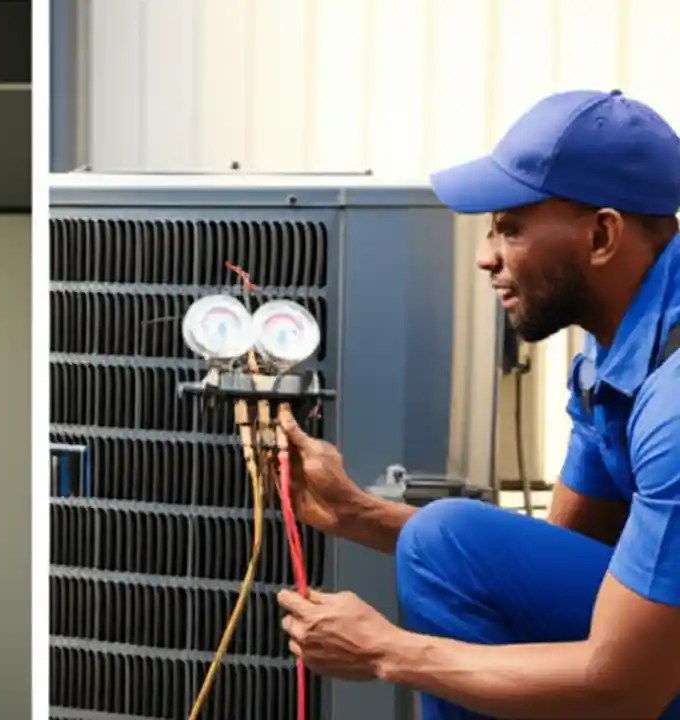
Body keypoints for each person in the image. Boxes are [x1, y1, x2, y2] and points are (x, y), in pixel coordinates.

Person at [275, 88, 680, 719]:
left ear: (602, 236)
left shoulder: (675, 402)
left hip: (644, 675)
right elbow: (535, 571)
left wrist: (387, 652)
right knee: (449, 539)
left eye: (510, 229)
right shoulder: (614, 358)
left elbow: (625, 684)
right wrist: (356, 512)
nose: (485, 256)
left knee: (449, 535)